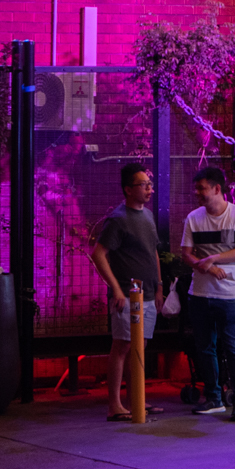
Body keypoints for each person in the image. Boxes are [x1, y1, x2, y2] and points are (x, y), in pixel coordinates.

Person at [179, 166, 235, 421]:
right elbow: (186, 254)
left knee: (234, 347)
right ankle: (213, 398)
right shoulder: (193, 218)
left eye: (201, 188)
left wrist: (213, 258)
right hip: (199, 293)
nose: (197, 193)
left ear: (217, 189)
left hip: (229, 295)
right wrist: (210, 268)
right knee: (205, 347)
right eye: (197, 188)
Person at [89, 163, 164, 421]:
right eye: (144, 185)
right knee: (122, 346)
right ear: (128, 189)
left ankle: (136, 401)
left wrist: (159, 286)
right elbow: (98, 254)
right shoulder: (118, 219)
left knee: (139, 347)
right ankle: (114, 405)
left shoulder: (148, 216)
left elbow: (152, 251)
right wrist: (117, 290)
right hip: (128, 295)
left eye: (150, 184)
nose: (149, 190)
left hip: (149, 292)